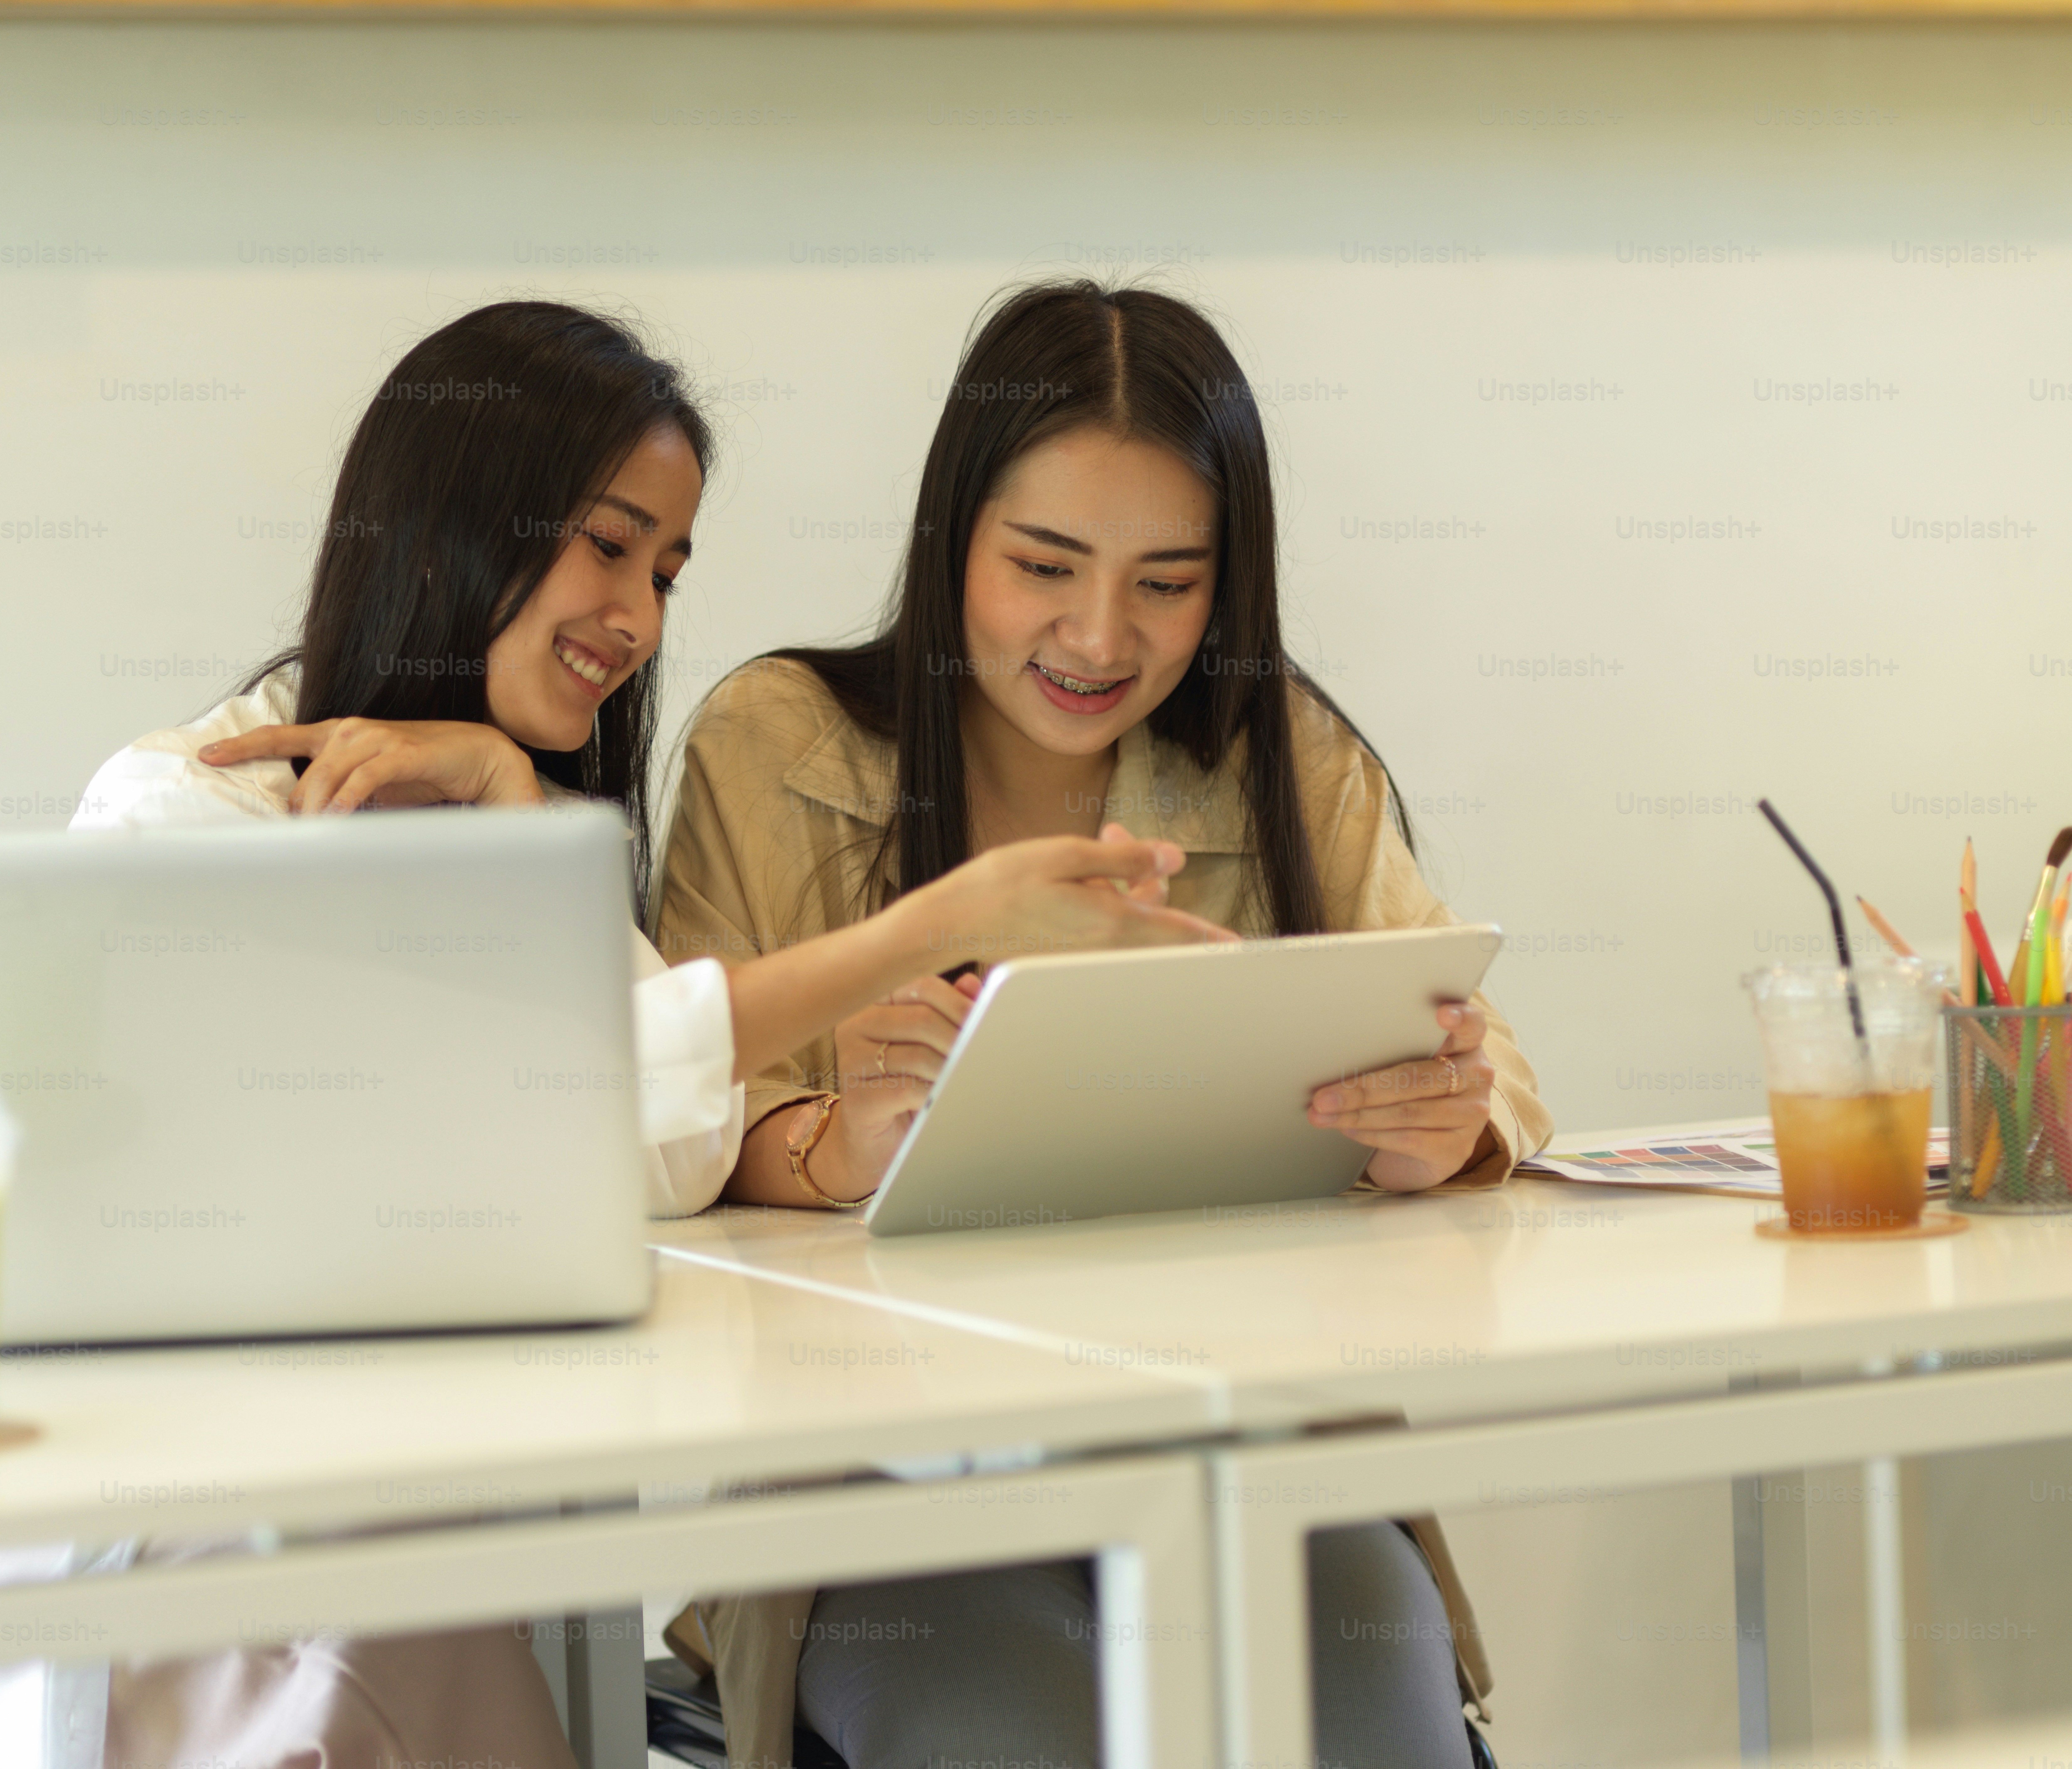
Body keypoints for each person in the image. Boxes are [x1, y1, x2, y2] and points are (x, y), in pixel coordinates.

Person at [0, 298, 1228, 1769]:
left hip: (390, 1553)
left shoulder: (523, 830)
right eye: (608, 545)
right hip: (149, 1570)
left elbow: (671, 1146)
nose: (639, 616)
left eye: (665, 570)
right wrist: (933, 926)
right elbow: (545, 1095)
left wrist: (516, 813)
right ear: (444, 526)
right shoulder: (189, 809)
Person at [654, 281, 1556, 1769]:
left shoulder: (1280, 751)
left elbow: (1481, 1049)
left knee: (1375, 1723)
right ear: (952, 539)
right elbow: (672, 1114)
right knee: (1033, 1735)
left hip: (1242, 1442)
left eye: (1167, 581)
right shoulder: (777, 744)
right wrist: (828, 1143)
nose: (1097, 633)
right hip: (879, 1486)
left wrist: (1436, 1127)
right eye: (1042, 566)